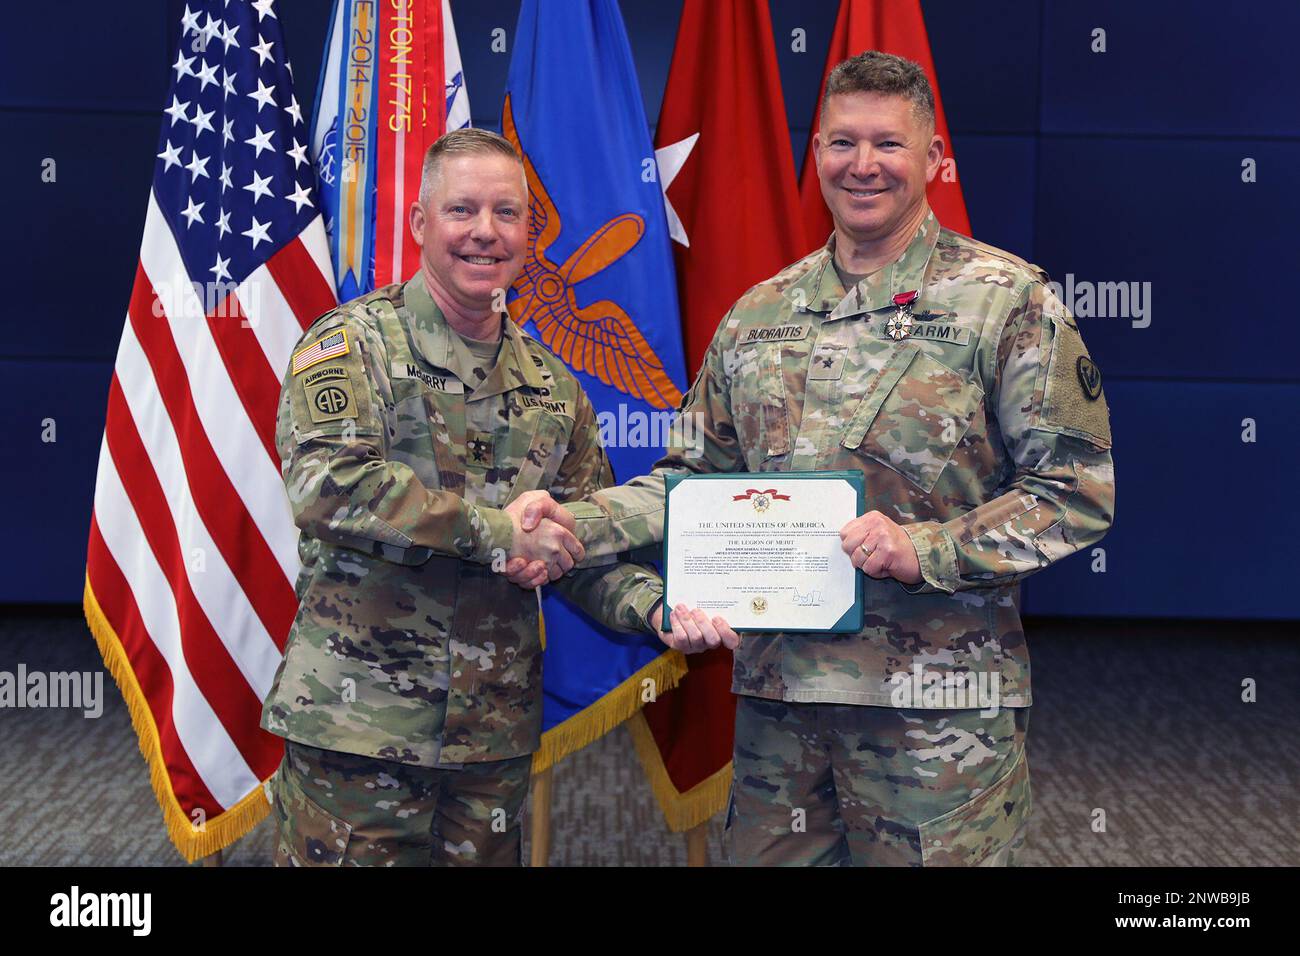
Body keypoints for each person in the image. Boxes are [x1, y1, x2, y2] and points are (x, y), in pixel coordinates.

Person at [509, 51, 1115, 866]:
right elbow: (690, 485)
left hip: (936, 720)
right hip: (779, 717)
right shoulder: (759, 315)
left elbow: (1075, 492)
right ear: (816, 155)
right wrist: (573, 520)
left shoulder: (1006, 303)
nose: (862, 165)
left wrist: (922, 549)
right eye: (841, 143)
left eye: (888, 145)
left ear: (935, 159)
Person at [262, 128, 669, 866]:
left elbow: (579, 546)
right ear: (422, 224)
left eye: (507, 213)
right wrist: (498, 535)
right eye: (463, 210)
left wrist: (662, 609)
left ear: (528, 233)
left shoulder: (555, 389)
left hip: (491, 743)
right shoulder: (352, 346)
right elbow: (329, 486)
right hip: (359, 734)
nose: (486, 232)